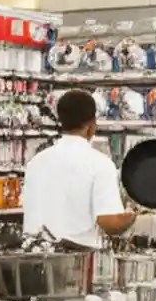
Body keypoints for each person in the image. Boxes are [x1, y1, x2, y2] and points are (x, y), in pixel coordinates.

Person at [21, 89, 135, 248]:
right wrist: (132, 217)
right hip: (76, 260)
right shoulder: (100, 164)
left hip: (34, 255)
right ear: (92, 125)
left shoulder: (36, 162)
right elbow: (110, 223)